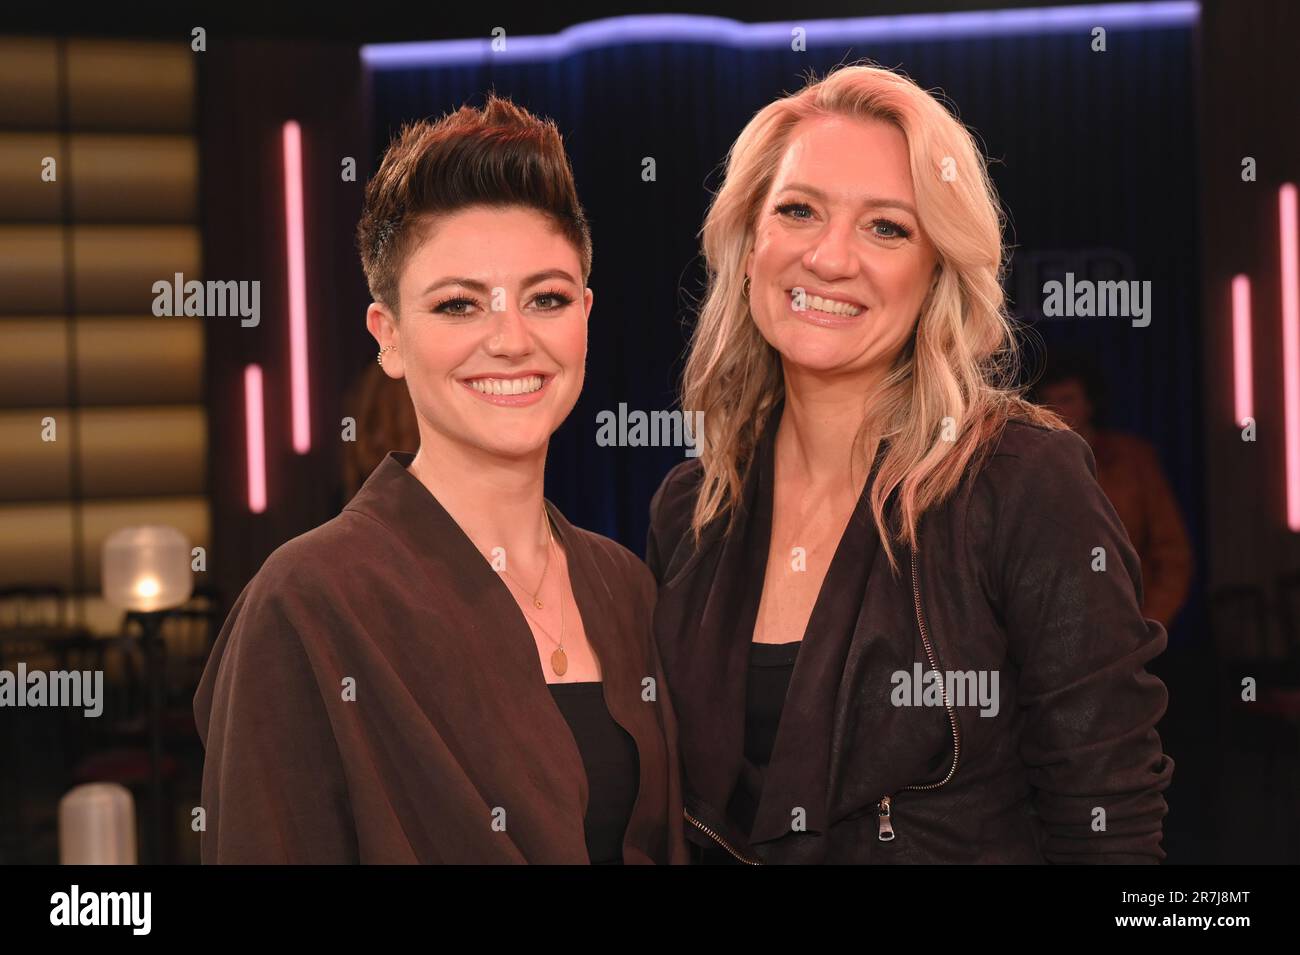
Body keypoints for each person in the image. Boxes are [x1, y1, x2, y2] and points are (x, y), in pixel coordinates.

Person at [646, 64, 1174, 864]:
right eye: (798, 211)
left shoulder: (1023, 480)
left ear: (937, 271)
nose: (829, 258)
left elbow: (1111, 824)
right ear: (751, 242)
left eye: (886, 227)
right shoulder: (690, 508)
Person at [195, 94, 688, 864]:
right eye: (459, 305)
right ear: (387, 337)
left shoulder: (625, 587)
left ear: (586, 315)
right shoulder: (306, 602)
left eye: (546, 298)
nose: (511, 338)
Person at [1035, 353, 1193, 629]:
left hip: (1127, 620)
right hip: (1054, 628)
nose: (1057, 410)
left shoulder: (1132, 460)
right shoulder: (1030, 466)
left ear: (1089, 404)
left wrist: (1148, 626)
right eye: (1050, 401)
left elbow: (1172, 553)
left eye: (1067, 399)